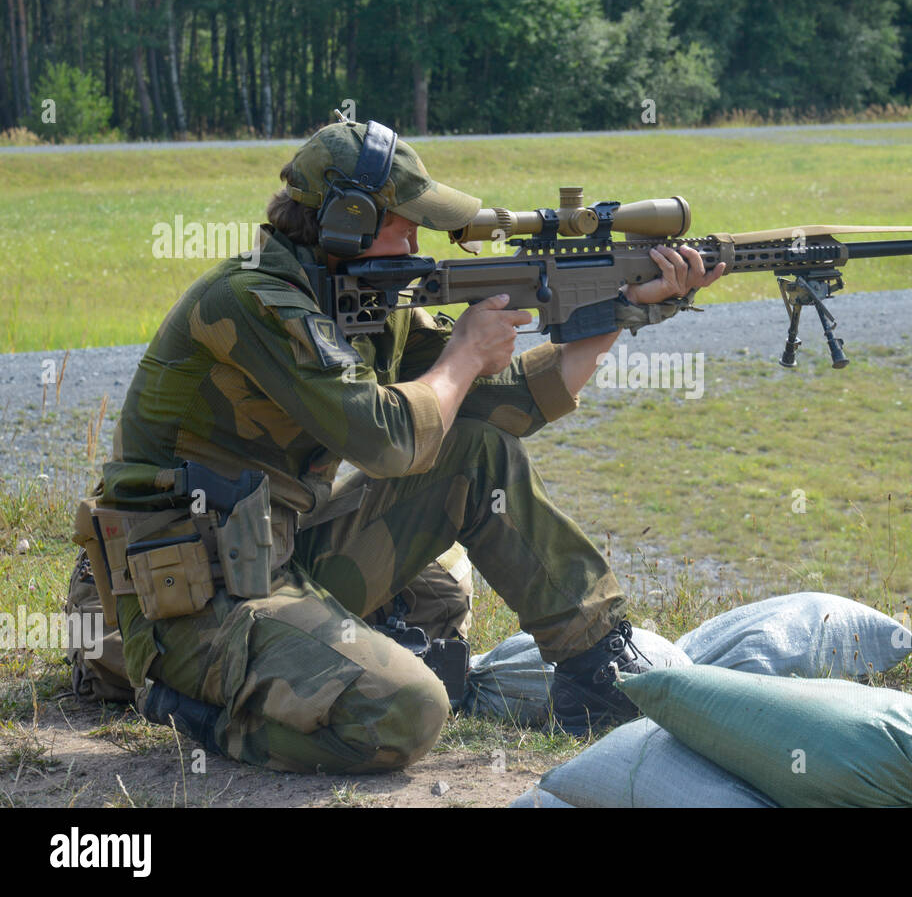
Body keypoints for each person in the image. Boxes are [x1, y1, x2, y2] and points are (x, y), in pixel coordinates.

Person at [72, 117, 724, 773]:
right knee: (407, 709)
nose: (416, 238)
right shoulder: (253, 300)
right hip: (185, 600)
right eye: (402, 222)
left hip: (273, 556)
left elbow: (508, 404)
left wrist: (622, 309)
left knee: (472, 465)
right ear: (345, 221)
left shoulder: (364, 300)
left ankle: (597, 673)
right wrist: (464, 352)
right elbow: (387, 440)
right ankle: (196, 709)